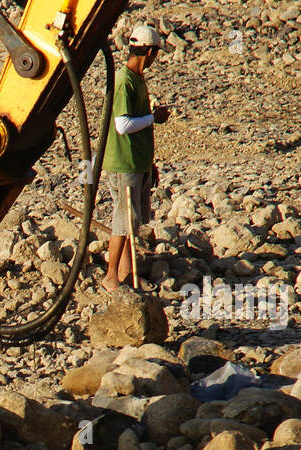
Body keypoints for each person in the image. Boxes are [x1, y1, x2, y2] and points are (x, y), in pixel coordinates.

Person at [102, 23, 170, 293]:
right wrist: (155, 118)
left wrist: (149, 163)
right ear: (150, 51)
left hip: (137, 162)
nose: (155, 59)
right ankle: (110, 277)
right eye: (156, 54)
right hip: (123, 162)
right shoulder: (124, 81)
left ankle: (127, 275)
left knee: (133, 221)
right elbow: (122, 124)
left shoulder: (137, 79)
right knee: (123, 219)